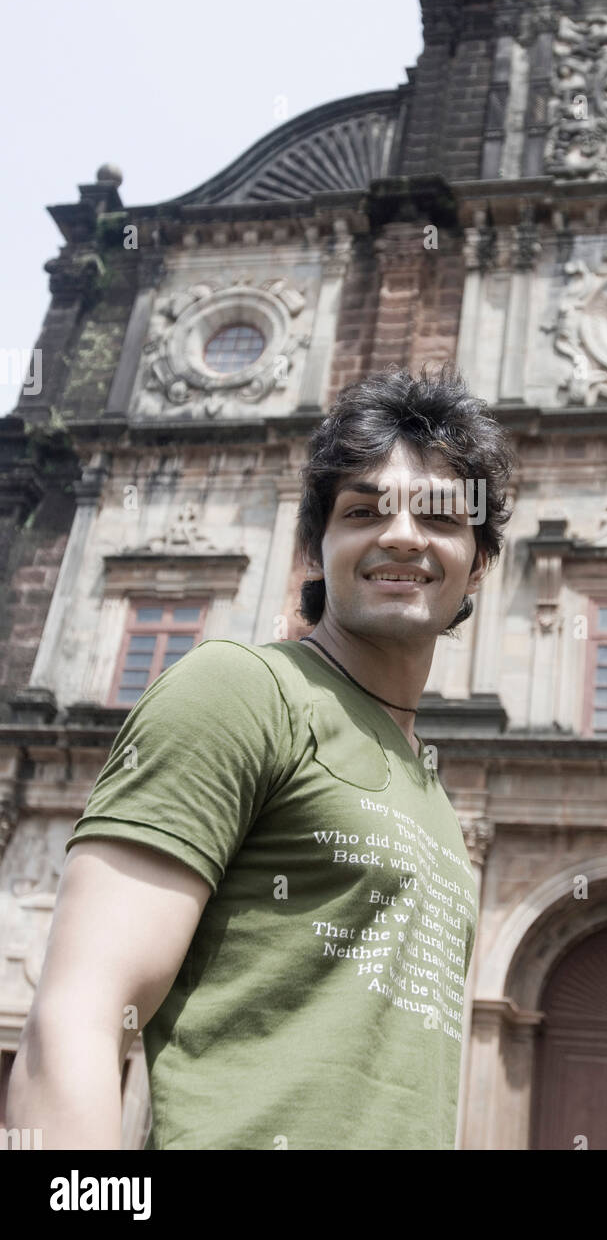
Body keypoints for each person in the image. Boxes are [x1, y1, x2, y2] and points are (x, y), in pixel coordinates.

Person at [8, 362, 515, 1149]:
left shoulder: (434, 799)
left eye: (442, 518)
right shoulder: (240, 690)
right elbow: (78, 1016)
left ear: (477, 563)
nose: (402, 534)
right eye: (364, 510)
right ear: (317, 546)